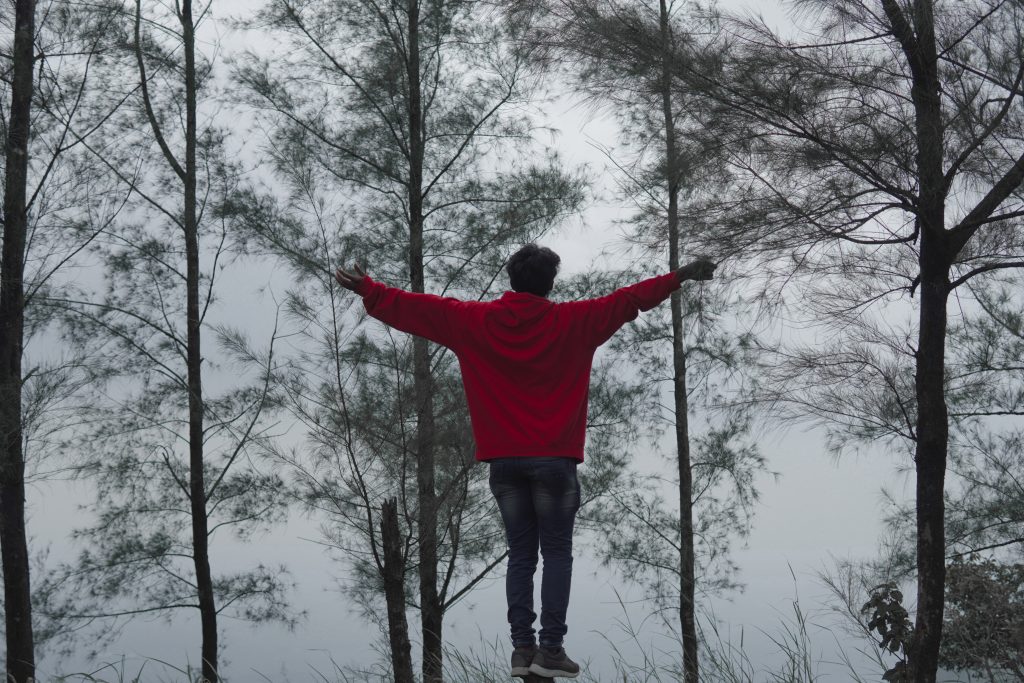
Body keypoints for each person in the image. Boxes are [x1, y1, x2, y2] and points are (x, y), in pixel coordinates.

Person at [335, 244, 715, 679]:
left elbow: (418, 310)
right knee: (555, 553)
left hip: (505, 464)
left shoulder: (474, 321)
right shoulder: (575, 321)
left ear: (511, 279)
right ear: (550, 284)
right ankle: (550, 649)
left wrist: (370, 289)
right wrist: (681, 274)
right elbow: (630, 298)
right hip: (555, 462)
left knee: (521, 555)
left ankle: (522, 649)